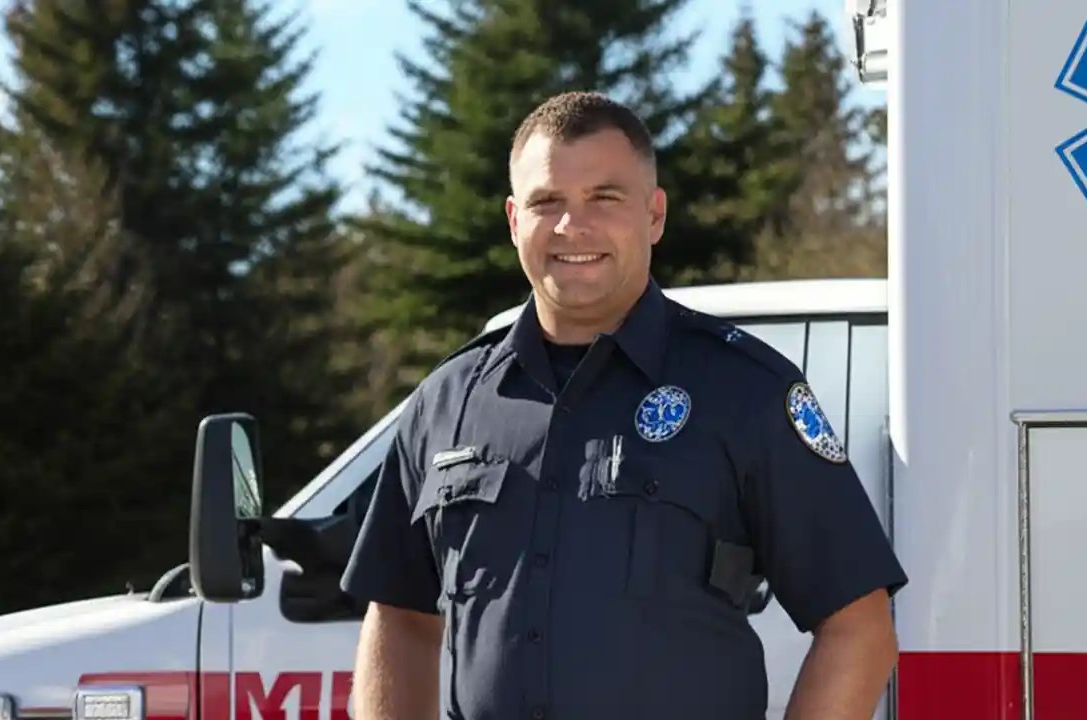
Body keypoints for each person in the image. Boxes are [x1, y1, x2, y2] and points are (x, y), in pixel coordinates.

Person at [339, 90, 908, 720]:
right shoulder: (448, 401)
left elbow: (859, 625)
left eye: (603, 199)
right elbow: (399, 616)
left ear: (655, 214)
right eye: (545, 202)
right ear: (512, 220)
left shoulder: (744, 390)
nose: (571, 227)